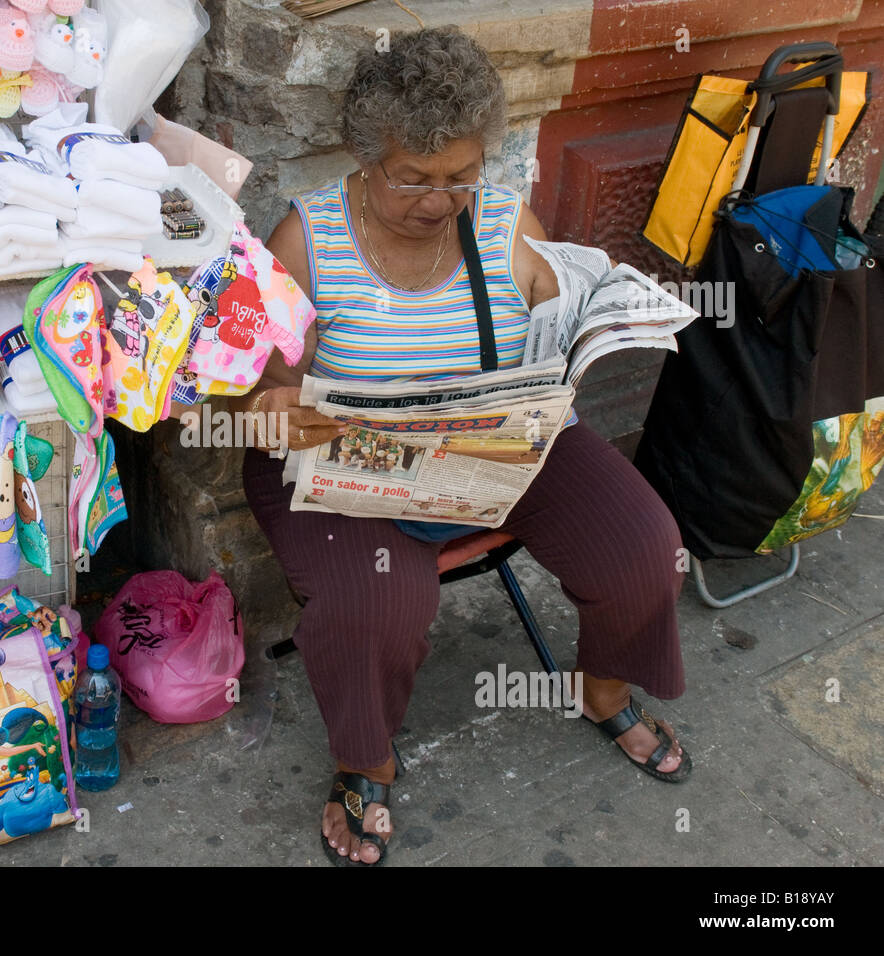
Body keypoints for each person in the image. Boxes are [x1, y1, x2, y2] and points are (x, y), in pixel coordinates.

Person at [234, 26, 690, 867]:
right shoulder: (305, 239)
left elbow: (551, 321)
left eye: (459, 177)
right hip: (348, 461)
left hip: (492, 440)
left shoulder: (503, 219)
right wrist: (285, 406)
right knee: (377, 602)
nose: (438, 200)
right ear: (367, 159)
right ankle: (364, 760)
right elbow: (262, 394)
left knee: (644, 547)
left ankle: (603, 689)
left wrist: (564, 364)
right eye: (413, 177)